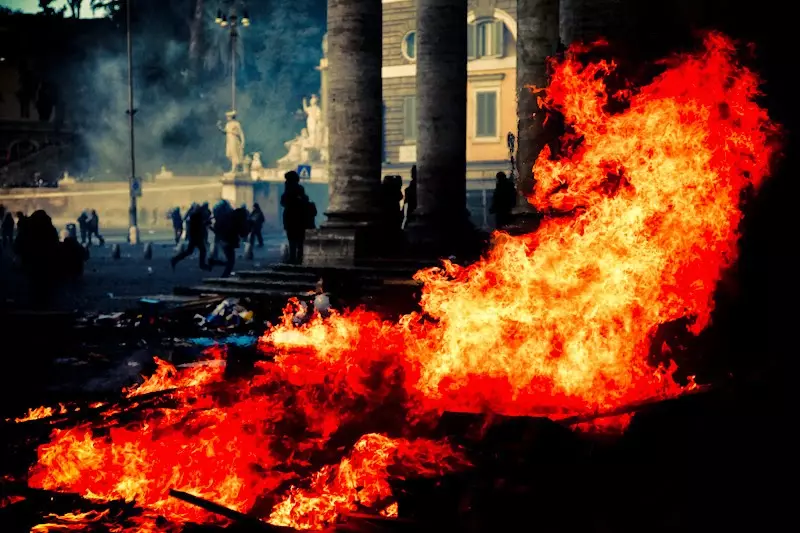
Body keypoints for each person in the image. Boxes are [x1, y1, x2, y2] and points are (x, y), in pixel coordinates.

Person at [209, 204, 249, 277]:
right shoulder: (239, 219)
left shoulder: (227, 216)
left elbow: (217, 227)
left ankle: (217, 265)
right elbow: (243, 232)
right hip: (228, 240)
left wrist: (212, 228)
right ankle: (223, 275)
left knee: (230, 260)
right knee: (231, 261)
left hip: (223, 239)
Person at [171, 204, 210, 271]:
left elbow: (199, 225)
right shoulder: (195, 216)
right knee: (202, 251)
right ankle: (202, 265)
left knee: (189, 252)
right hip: (196, 237)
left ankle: (175, 259)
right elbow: (198, 226)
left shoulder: (195, 216)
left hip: (195, 237)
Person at [281, 170, 309, 264]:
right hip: (298, 218)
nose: (285, 182)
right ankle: (298, 258)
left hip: (292, 217)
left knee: (293, 239)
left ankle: (294, 258)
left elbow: (283, 202)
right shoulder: (299, 189)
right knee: (298, 240)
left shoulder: (290, 190)